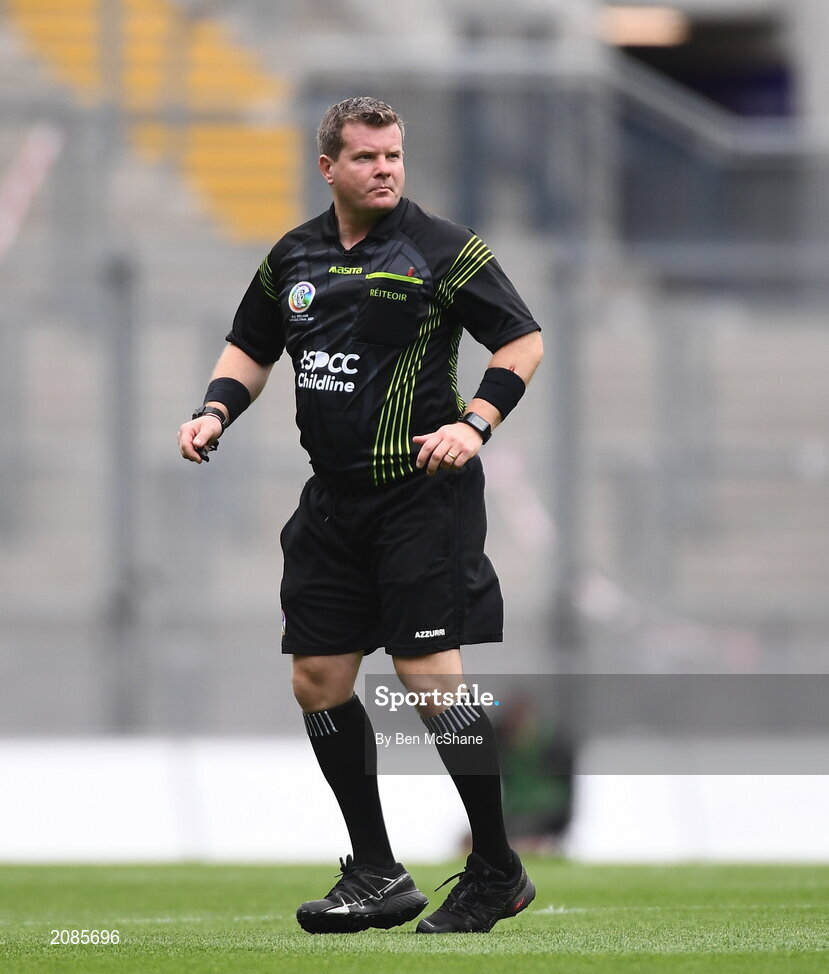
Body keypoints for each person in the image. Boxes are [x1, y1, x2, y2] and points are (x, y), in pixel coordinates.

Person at [178, 96, 544, 934]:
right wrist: (213, 409)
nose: (385, 169)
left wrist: (473, 422)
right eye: (367, 157)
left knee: (426, 679)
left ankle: (496, 869)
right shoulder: (293, 255)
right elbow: (251, 343)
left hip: (421, 496)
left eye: (394, 155)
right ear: (328, 167)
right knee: (317, 679)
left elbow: (521, 342)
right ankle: (376, 871)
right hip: (333, 503)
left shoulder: (443, 249)